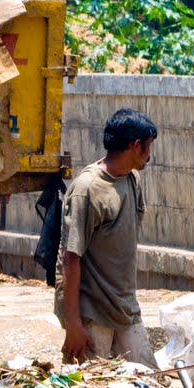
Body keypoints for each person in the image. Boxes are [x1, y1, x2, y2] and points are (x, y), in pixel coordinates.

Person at [57, 108, 158, 365]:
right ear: (136, 146)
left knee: (150, 384)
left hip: (125, 308)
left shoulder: (132, 179)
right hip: (93, 312)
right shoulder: (88, 189)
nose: (150, 154)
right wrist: (74, 324)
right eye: (148, 146)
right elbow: (71, 259)